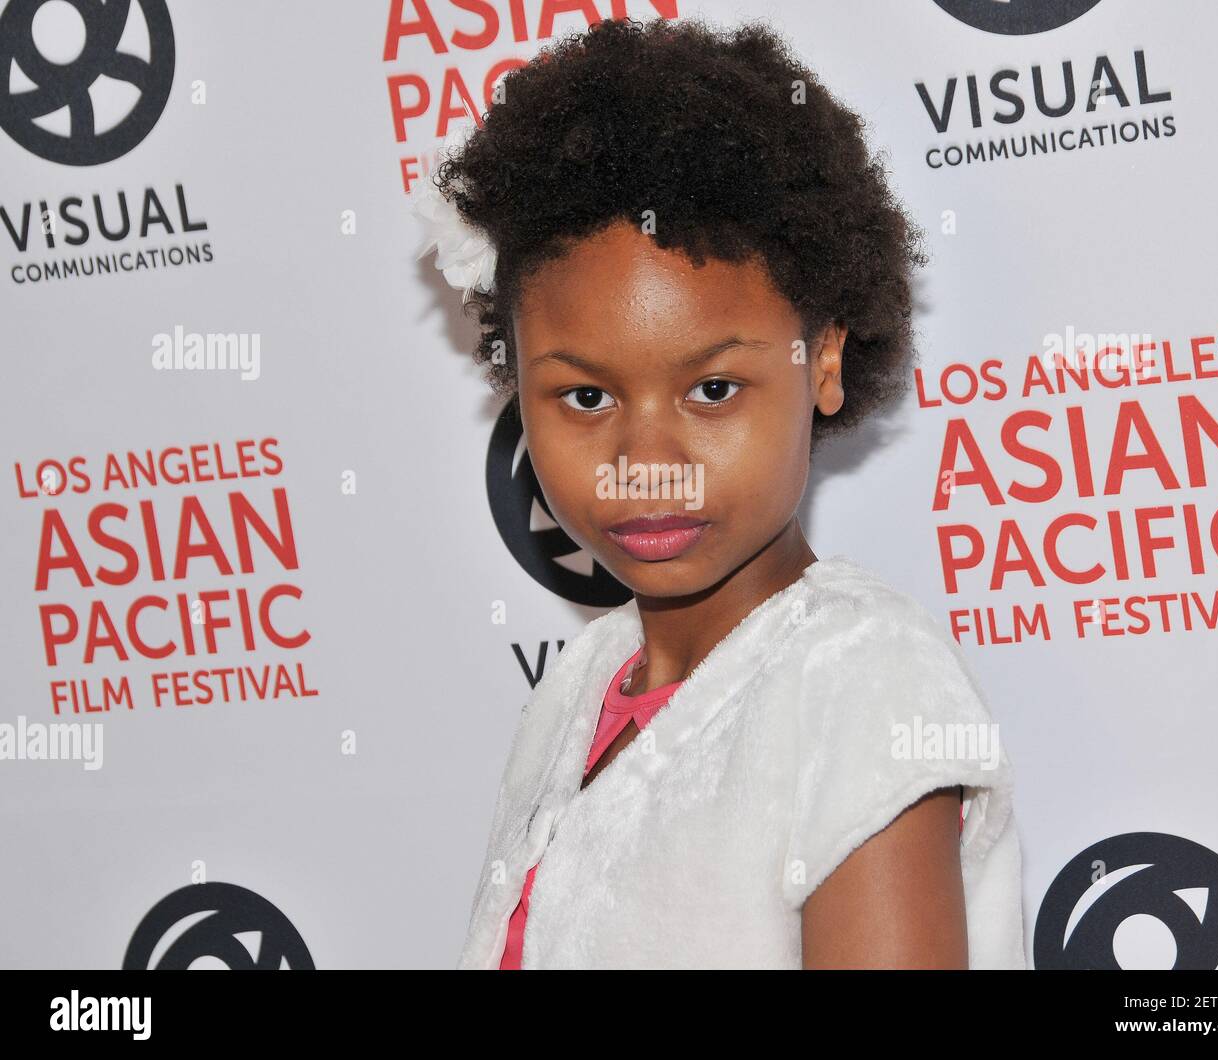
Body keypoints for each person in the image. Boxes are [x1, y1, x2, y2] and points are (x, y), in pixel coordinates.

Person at [414, 15, 1025, 969]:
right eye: (585, 395)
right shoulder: (576, 692)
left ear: (822, 363)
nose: (645, 459)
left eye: (712, 390)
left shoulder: (857, 681)